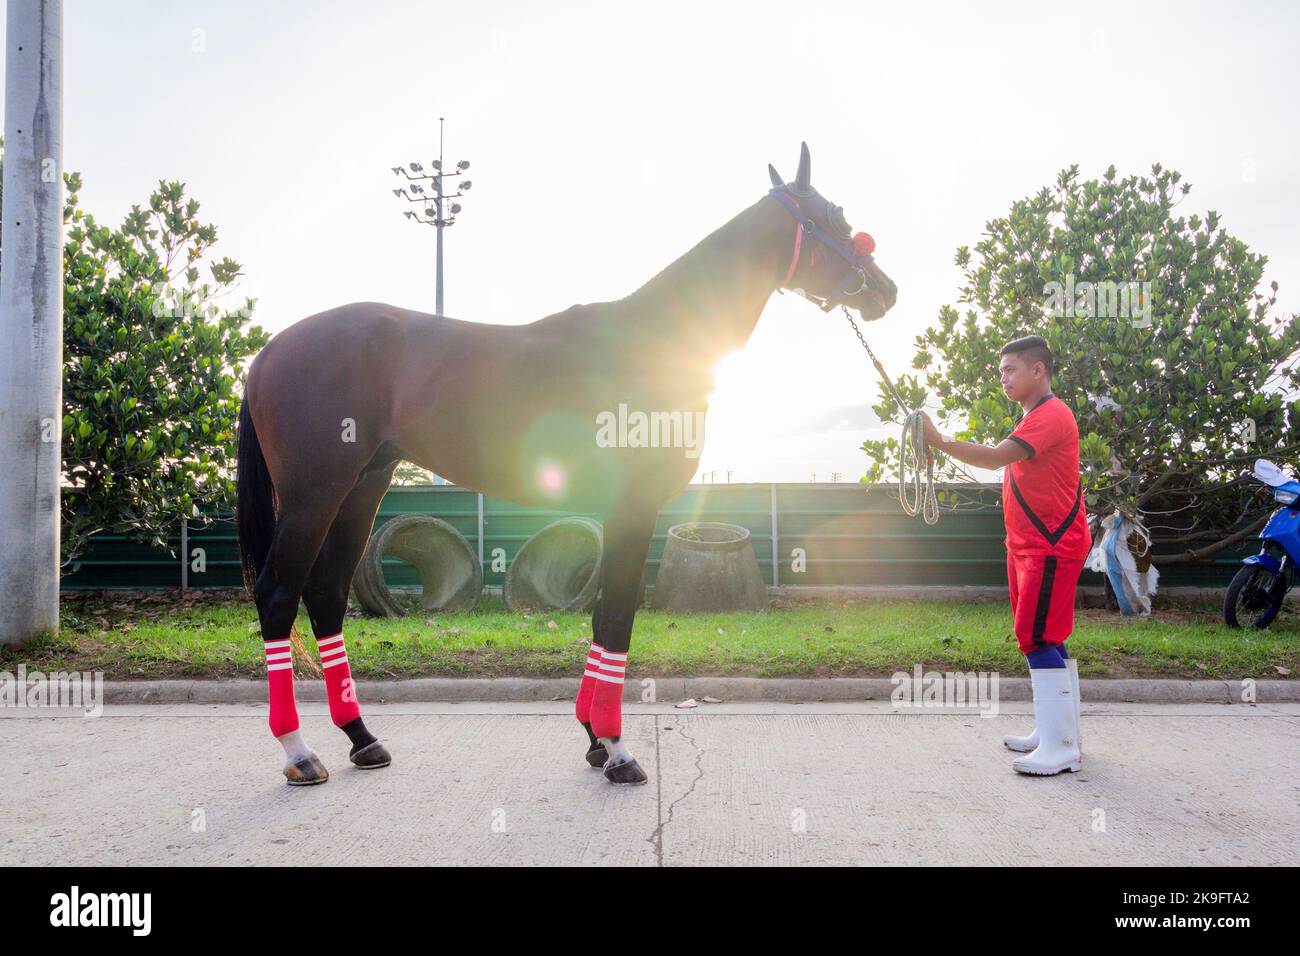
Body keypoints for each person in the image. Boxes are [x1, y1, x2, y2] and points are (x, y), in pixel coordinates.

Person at [921, 335, 1090, 775]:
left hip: (1049, 545)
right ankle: (1056, 733)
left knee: (1034, 637)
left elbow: (996, 459)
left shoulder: (1050, 414)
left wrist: (938, 441)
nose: (1003, 378)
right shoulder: (1035, 416)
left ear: (1039, 371)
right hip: (1030, 545)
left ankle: (1063, 748)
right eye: (1001, 371)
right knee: (1048, 636)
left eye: (1011, 369)